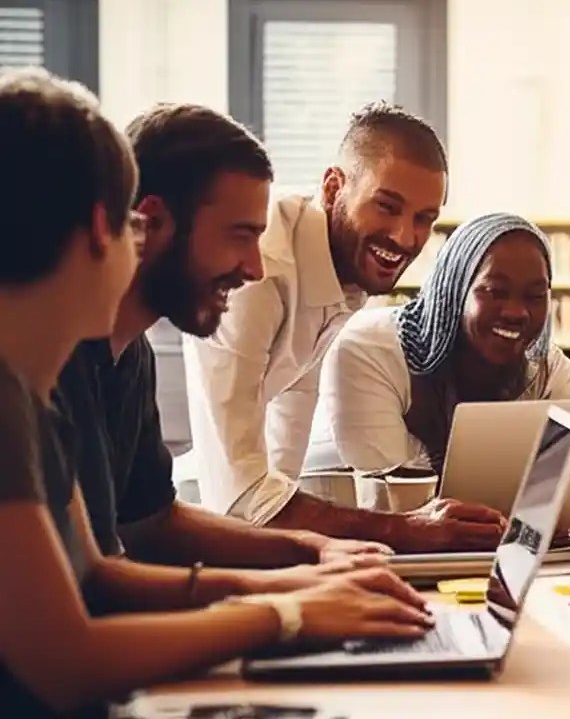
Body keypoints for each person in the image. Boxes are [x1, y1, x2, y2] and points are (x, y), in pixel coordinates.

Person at [0, 67, 429, 719]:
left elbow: (100, 568)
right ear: (104, 228)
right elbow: (65, 660)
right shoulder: (26, 389)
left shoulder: (41, 383)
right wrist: (282, 610)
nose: (255, 266)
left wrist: (300, 570)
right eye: (127, 227)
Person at [54, 102, 395, 571]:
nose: (254, 268)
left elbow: (152, 523)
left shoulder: (132, 355)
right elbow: (91, 591)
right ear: (150, 222)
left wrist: (313, 551)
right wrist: (286, 609)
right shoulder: (50, 362)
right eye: (239, 236)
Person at [177, 101, 508, 552]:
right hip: (182, 523)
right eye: (387, 206)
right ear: (334, 187)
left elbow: (286, 432)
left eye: (424, 219)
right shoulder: (261, 269)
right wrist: (406, 529)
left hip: (242, 522)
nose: (405, 237)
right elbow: (240, 493)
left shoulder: (342, 274)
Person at [305, 212, 570, 529]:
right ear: (454, 291)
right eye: (495, 291)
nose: (516, 312)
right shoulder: (371, 350)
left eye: (536, 296)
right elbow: (400, 504)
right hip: (347, 549)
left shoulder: (541, 367)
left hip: (469, 555)